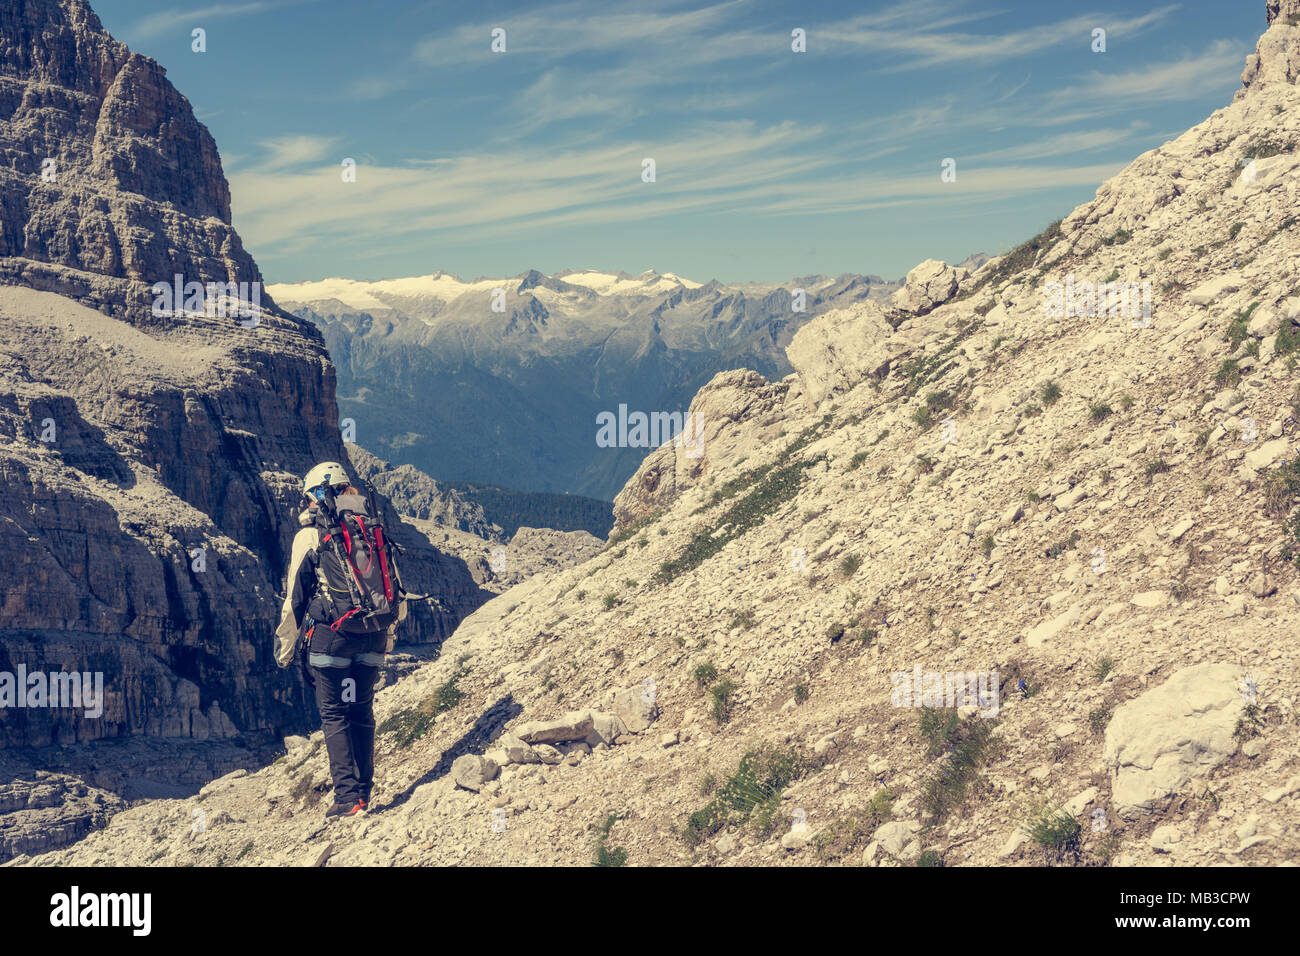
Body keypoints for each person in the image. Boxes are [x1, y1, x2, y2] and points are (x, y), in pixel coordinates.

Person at [275, 460, 406, 818]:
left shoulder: (310, 535)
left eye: (307, 498)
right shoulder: (371, 527)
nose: (305, 505)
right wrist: (388, 636)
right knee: (361, 710)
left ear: (316, 495)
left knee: (334, 715)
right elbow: (395, 590)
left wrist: (285, 649)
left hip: (331, 639)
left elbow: (295, 600)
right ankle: (364, 793)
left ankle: (347, 798)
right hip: (373, 637)